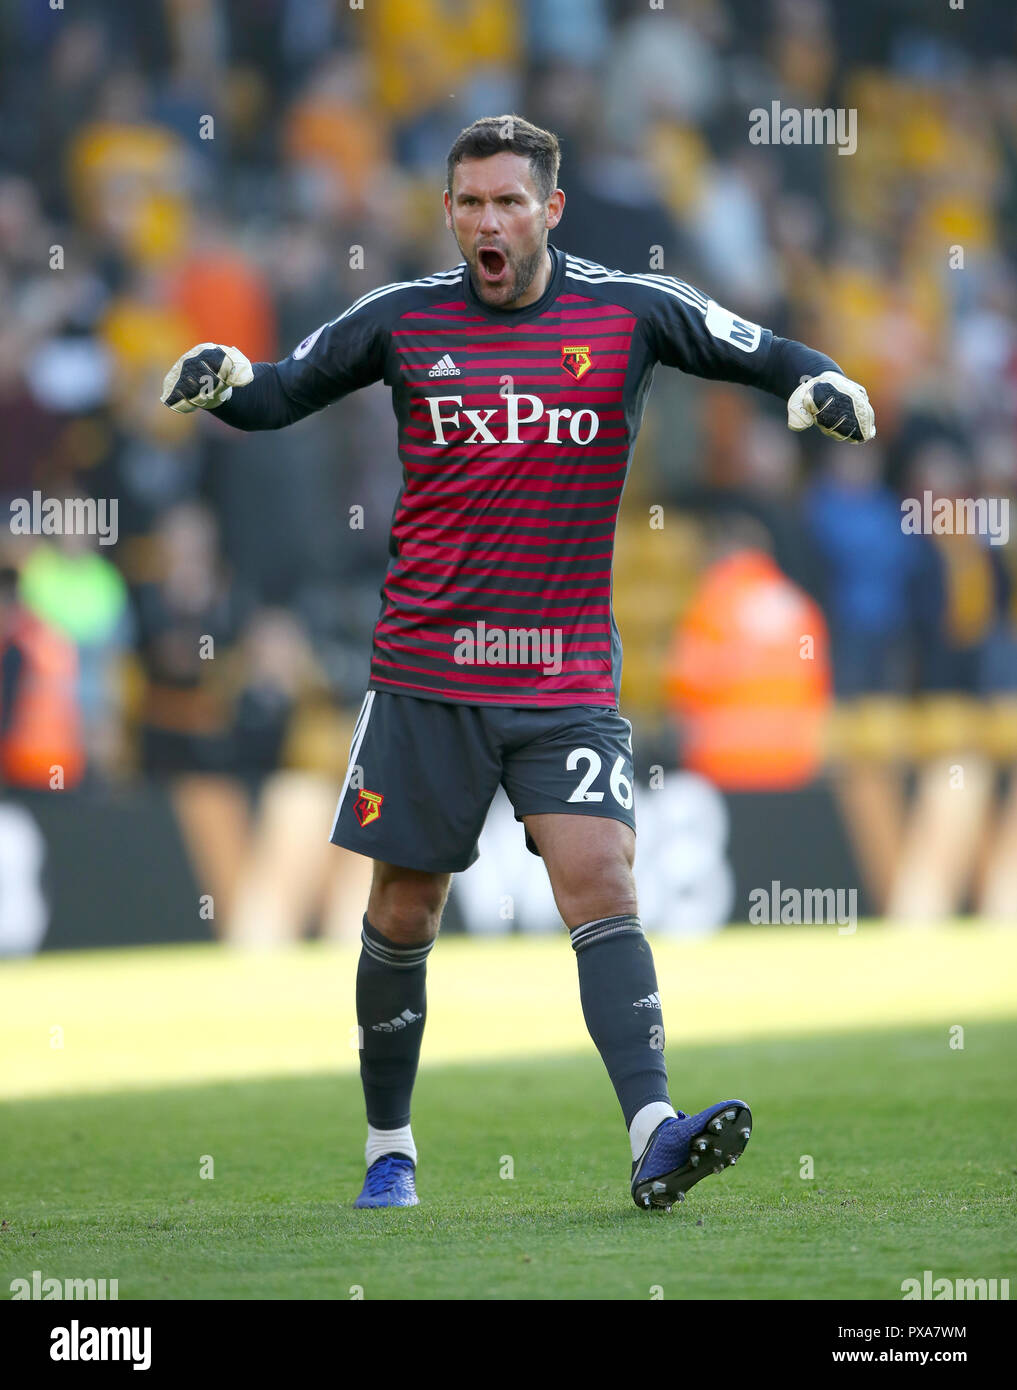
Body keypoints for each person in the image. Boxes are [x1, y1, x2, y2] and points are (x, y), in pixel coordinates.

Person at [161, 114, 875, 1211]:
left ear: (552, 208)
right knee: (404, 913)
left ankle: (652, 1131)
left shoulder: (629, 308)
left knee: (604, 879)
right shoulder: (400, 320)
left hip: (565, 674)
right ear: (448, 211)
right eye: (469, 202)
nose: (487, 220)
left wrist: (818, 384)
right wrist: (221, 377)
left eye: (508, 200)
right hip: (428, 671)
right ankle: (389, 1149)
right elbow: (279, 390)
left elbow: (762, 348)